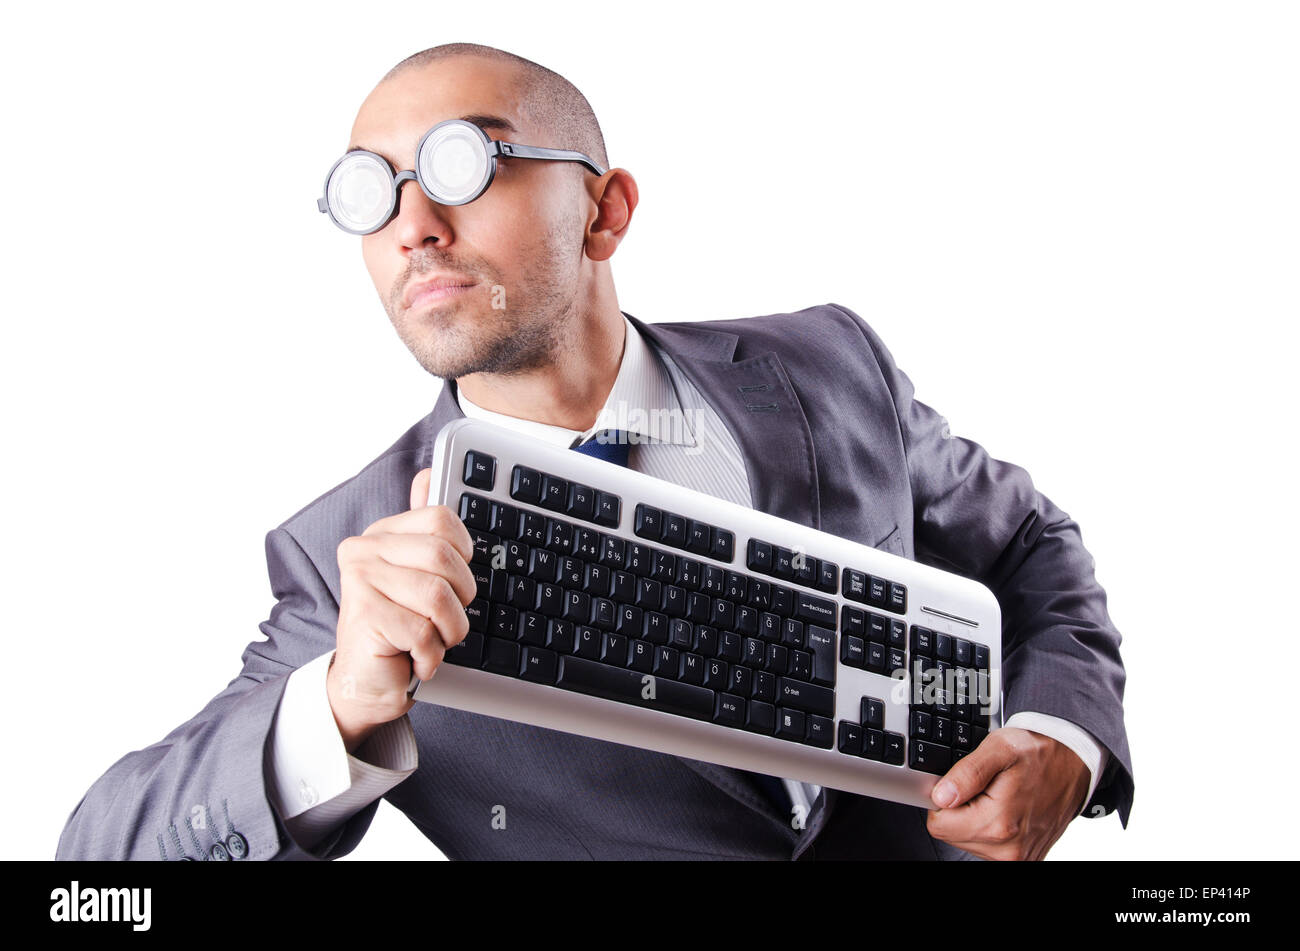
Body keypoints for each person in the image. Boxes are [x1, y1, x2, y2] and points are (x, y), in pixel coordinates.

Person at [56, 42, 1132, 861]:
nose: (413, 224)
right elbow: (96, 863)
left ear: (604, 212)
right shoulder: (347, 556)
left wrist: (1061, 741)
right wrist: (336, 701)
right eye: (370, 192)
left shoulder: (827, 364)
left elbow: (1031, 547)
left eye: (462, 164)